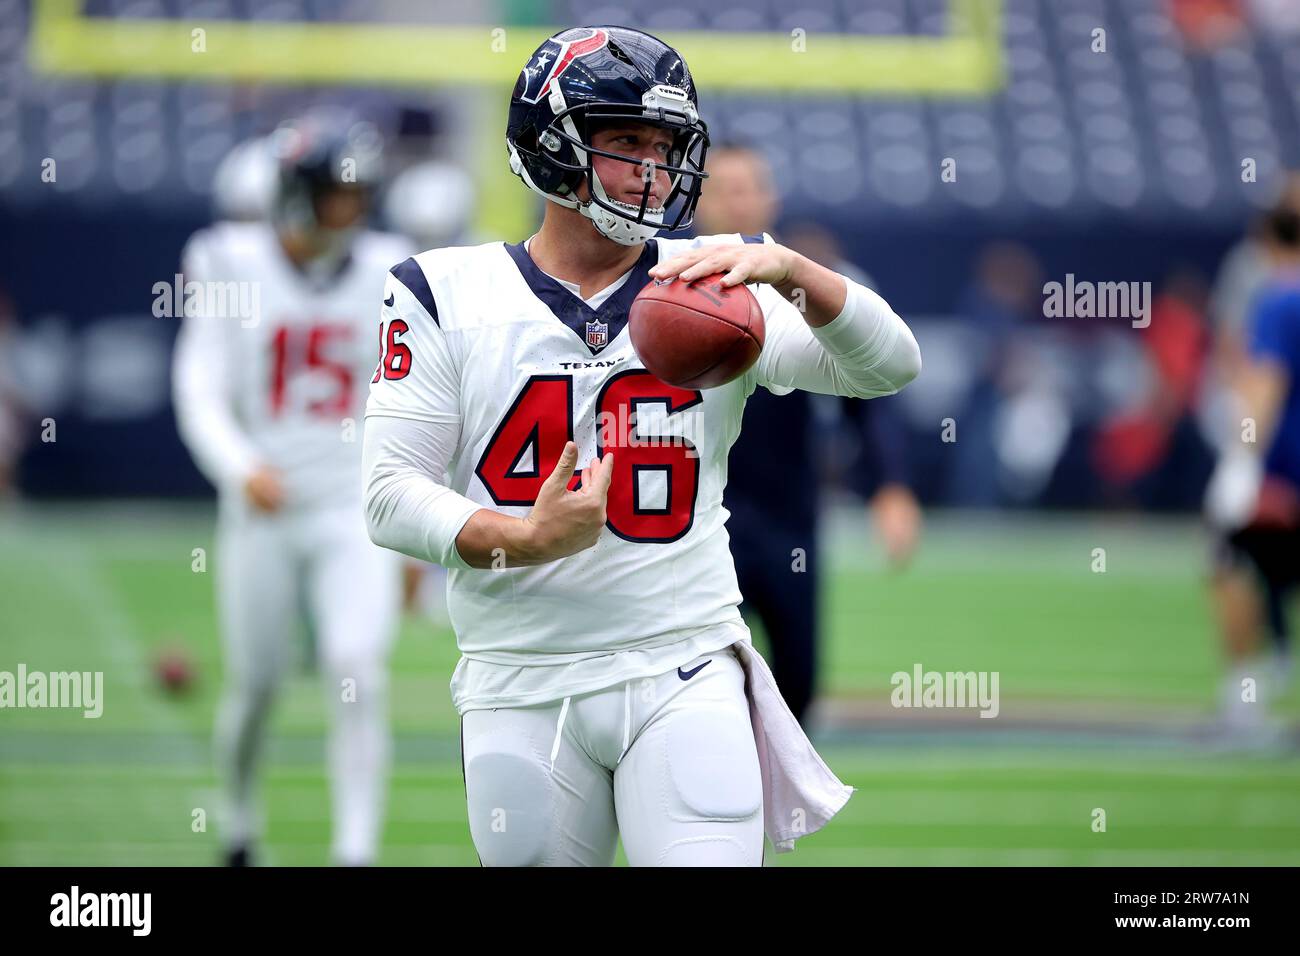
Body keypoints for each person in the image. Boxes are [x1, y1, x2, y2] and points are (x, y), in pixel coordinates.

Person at [362, 26, 920, 866]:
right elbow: (387, 493)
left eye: (667, 144)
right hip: (520, 679)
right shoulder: (442, 291)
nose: (654, 167)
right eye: (626, 140)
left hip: (682, 662)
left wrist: (796, 273)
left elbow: (889, 368)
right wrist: (521, 536)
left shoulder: (714, 284)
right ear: (551, 146)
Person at [173, 115, 411, 865]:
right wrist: (241, 465)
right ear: (298, 194)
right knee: (256, 687)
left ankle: (354, 853)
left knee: (356, 671)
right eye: (338, 194)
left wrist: (413, 514)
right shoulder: (227, 259)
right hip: (263, 506)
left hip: (352, 505)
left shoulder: (390, 266)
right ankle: (239, 826)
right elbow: (199, 384)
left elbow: (413, 397)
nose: (351, 210)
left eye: (358, 195)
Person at [694, 144, 921, 726]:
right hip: (702, 516)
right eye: (725, 187)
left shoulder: (812, 286)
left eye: (750, 186)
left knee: (799, 685)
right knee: (702, 685)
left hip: (791, 512)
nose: (739, 200)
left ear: (771, 196)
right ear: (697, 196)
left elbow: (869, 402)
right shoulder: (669, 286)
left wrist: (890, 486)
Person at [1205, 200, 1300, 743]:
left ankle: (1244, 698)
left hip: (1283, 472)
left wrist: (1242, 464)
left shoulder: (1279, 298)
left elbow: (1265, 383)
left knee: (1225, 562)